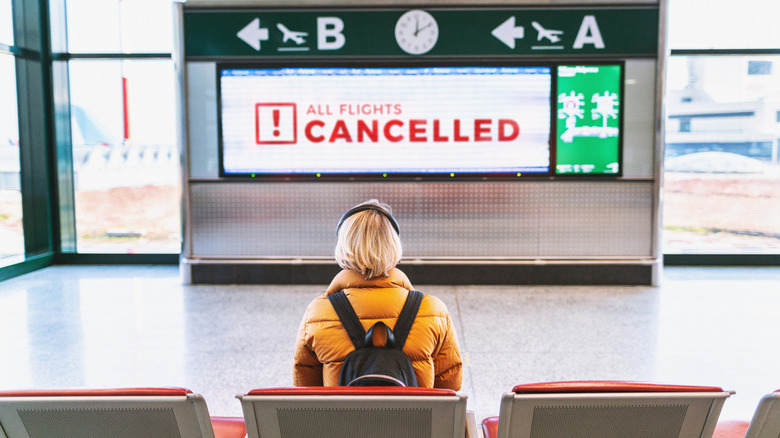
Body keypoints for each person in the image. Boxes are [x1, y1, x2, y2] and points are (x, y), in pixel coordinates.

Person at [293, 199, 463, 389]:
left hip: (344, 419)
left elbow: (305, 388)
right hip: (413, 419)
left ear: (343, 247)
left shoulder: (318, 313)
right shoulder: (433, 311)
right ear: (394, 246)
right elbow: (450, 386)